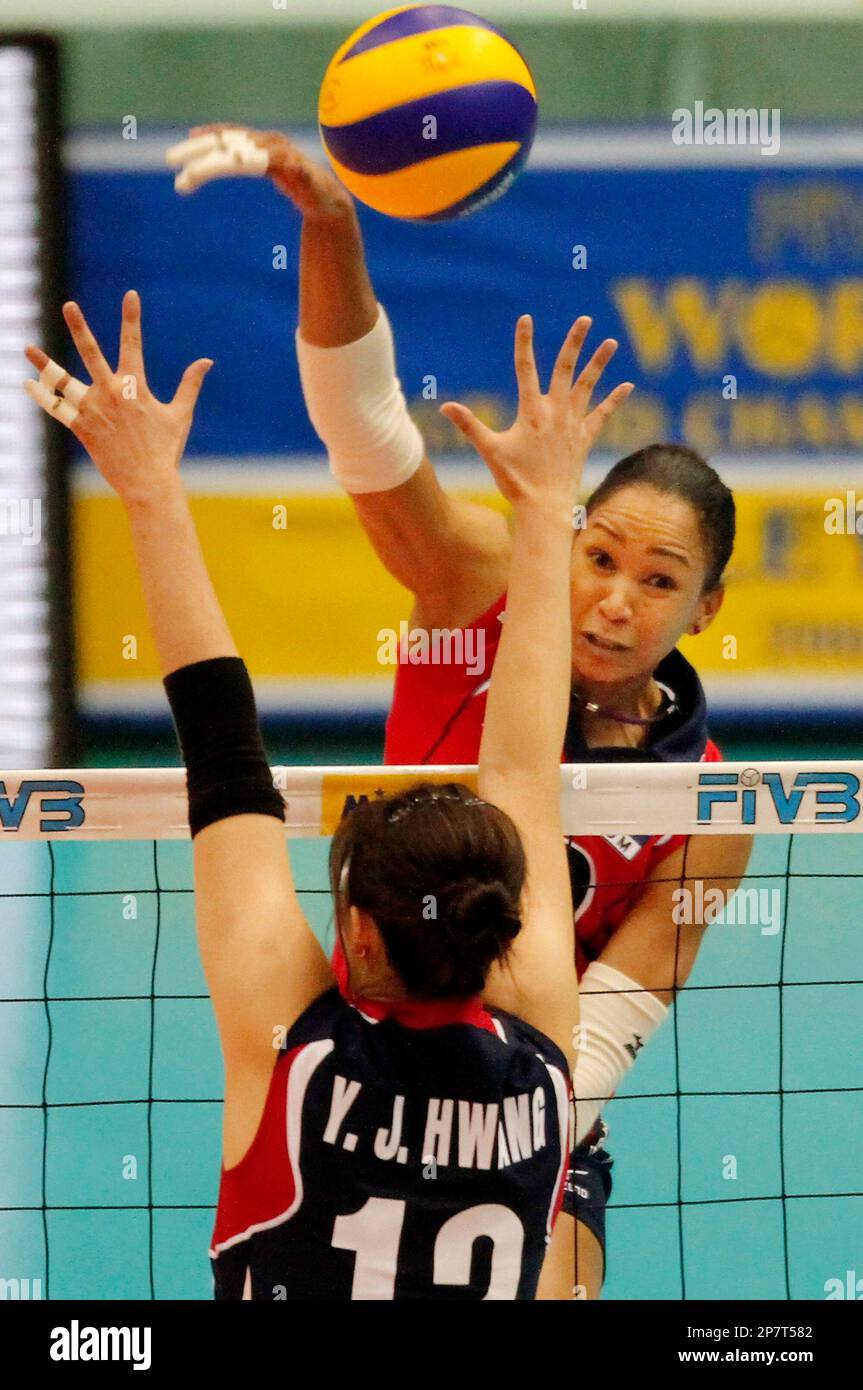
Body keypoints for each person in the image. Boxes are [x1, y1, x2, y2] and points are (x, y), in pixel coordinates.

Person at [168, 127, 753, 1298]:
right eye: (595, 556)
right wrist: (332, 225)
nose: (608, 602)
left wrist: (490, 1109)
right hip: (350, 1033)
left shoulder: (714, 805)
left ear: (703, 608)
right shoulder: (476, 583)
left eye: (656, 582)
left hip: (528, 1096)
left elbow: (599, 1037)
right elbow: (366, 430)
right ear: (565, 534)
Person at [23, 293, 624, 1299]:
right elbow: (518, 769)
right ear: (506, 928)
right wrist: (546, 506)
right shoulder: (539, 1054)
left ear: (359, 931)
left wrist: (145, 488)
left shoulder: (297, 1060)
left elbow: (228, 744)